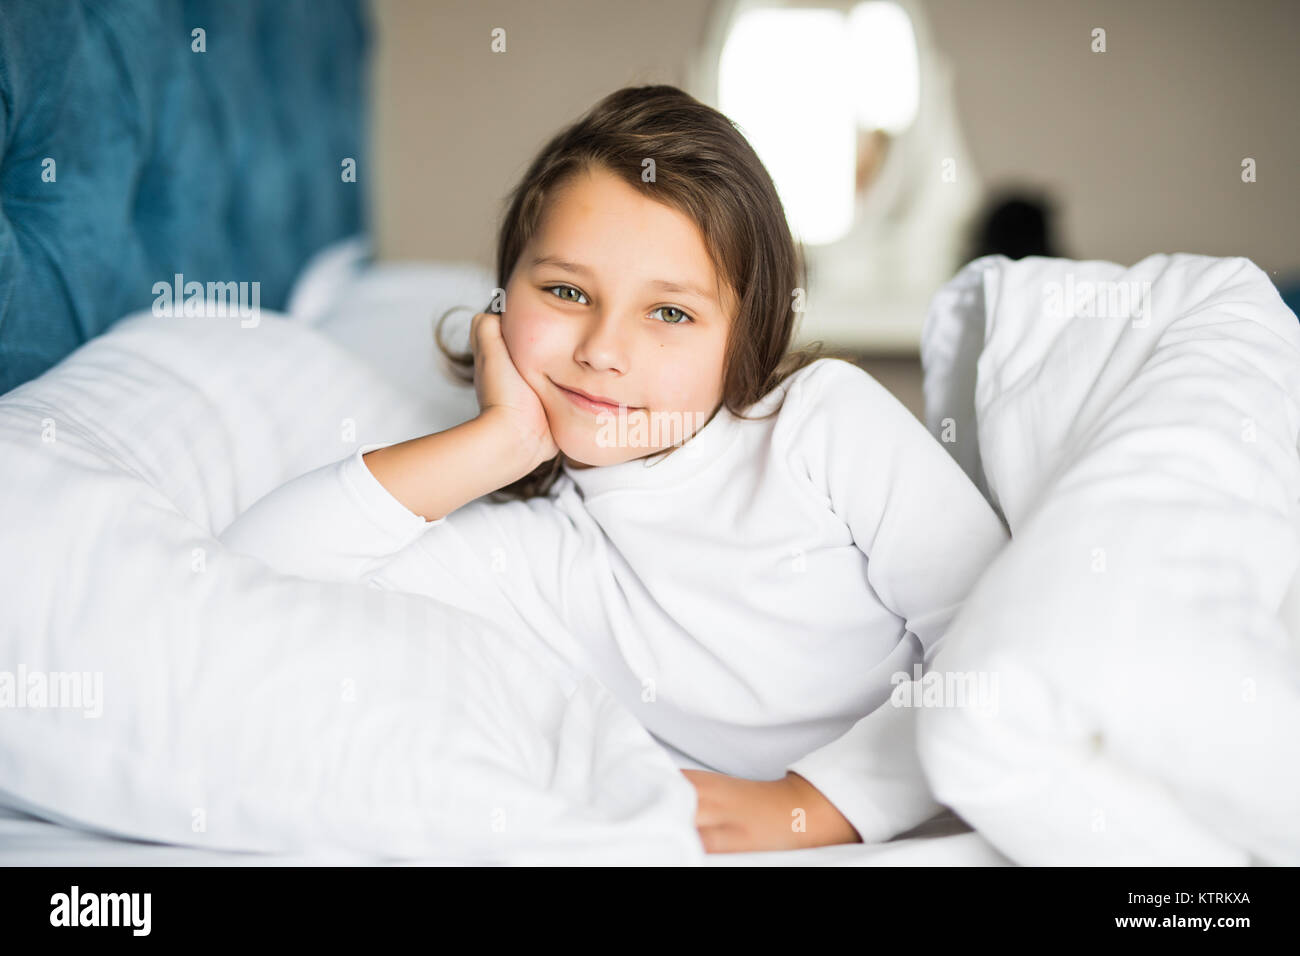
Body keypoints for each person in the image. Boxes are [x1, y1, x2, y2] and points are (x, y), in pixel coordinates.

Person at [219, 85, 1008, 854]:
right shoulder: (529, 546)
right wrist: (497, 443)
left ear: (748, 337)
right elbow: (250, 578)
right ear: (500, 304)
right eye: (566, 291)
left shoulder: (822, 426)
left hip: (987, 799)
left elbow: (999, 633)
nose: (602, 349)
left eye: (670, 313)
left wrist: (817, 803)